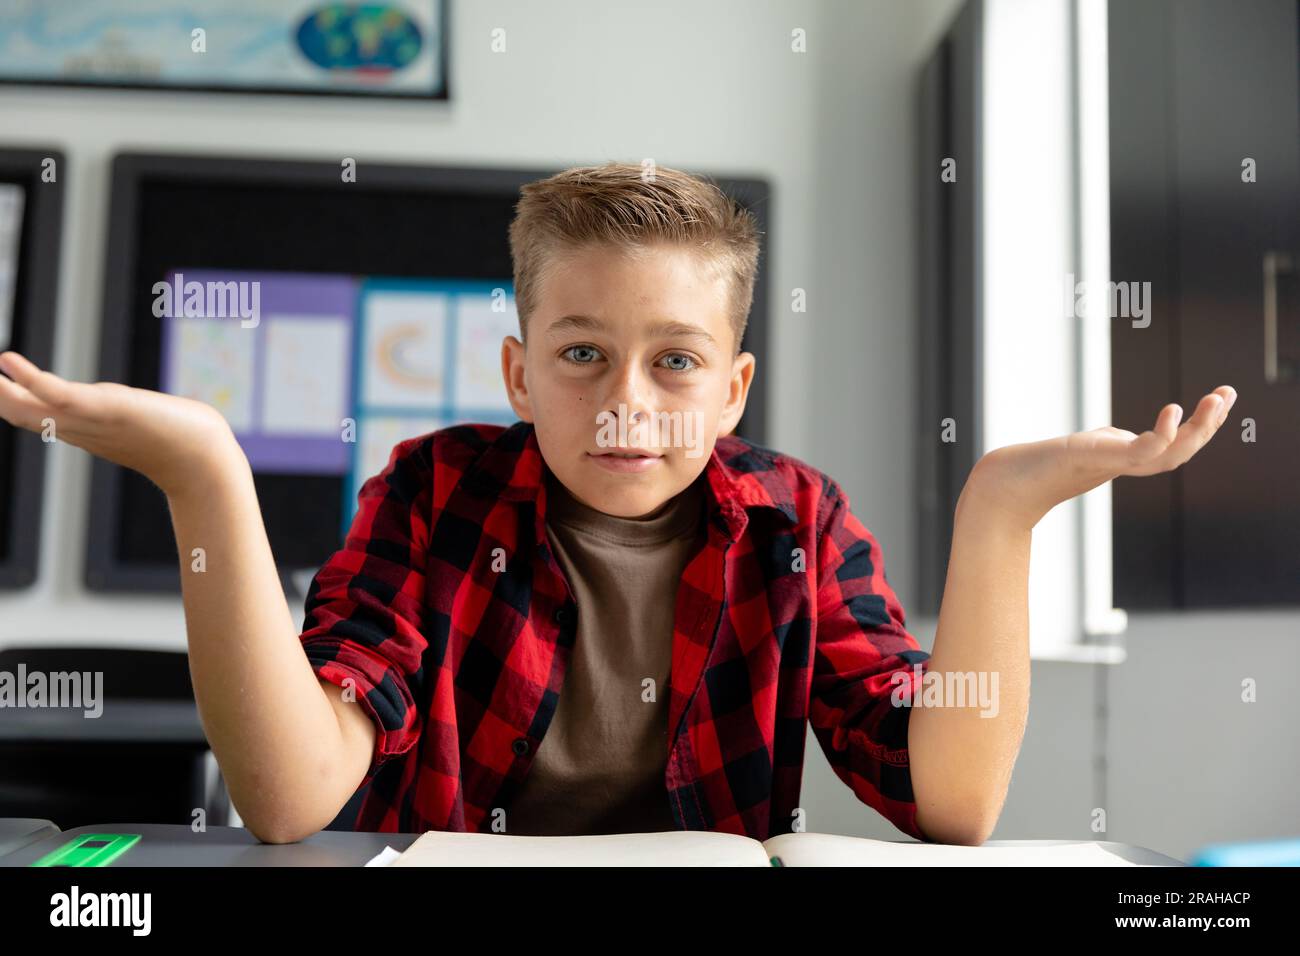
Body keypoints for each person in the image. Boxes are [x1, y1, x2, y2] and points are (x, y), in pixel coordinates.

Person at [0, 162, 1236, 845]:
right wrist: (204, 475)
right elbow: (288, 796)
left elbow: (949, 798)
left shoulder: (795, 519)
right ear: (518, 372)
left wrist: (1001, 513)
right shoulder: (433, 492)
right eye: (581, 355)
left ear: (736, 385)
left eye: (677, 360)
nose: (625, 404)